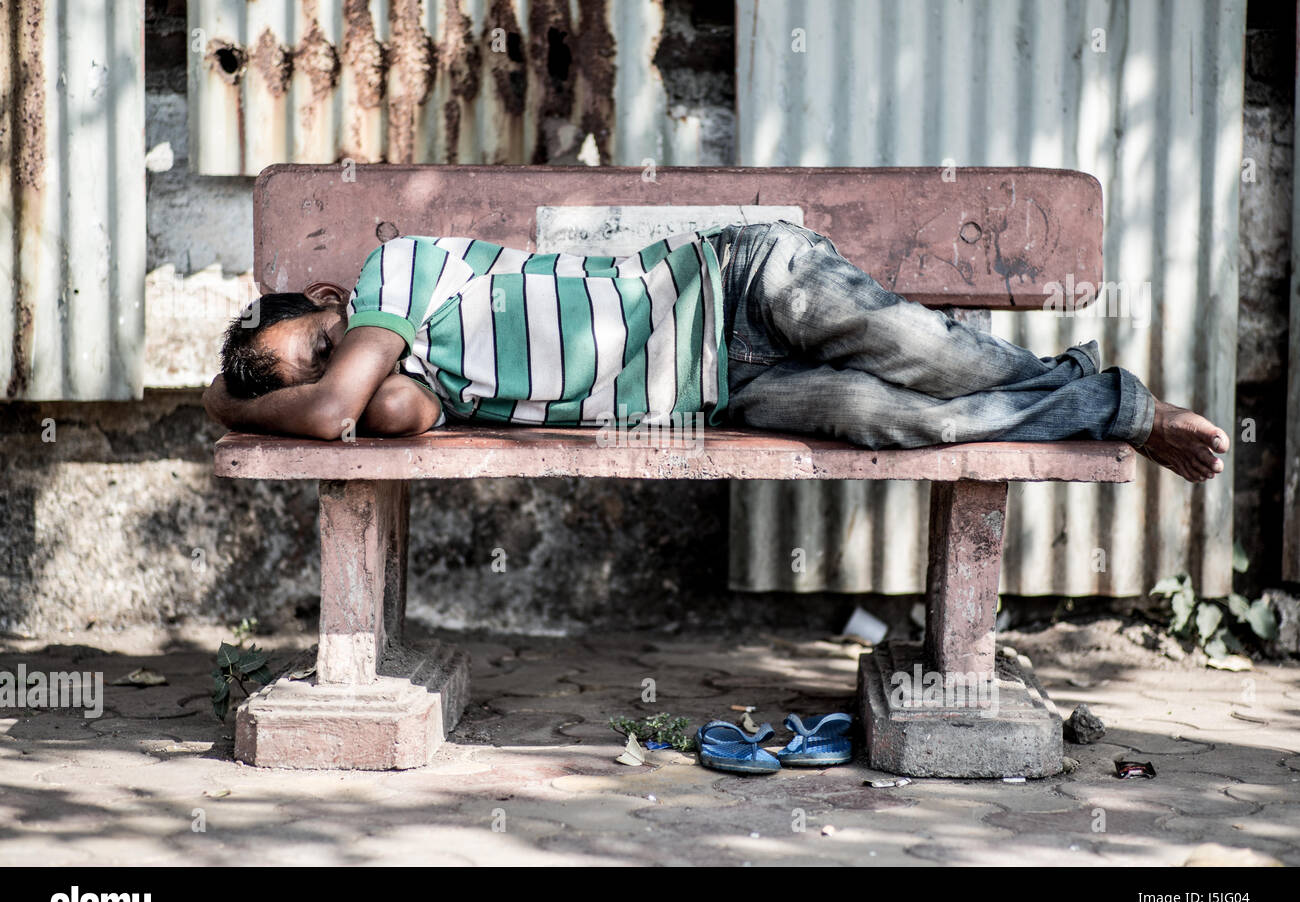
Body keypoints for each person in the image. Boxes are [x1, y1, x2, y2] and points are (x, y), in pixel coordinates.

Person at [203, 220, 1229, 482]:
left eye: (333, 341)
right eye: (322, 361)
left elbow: (337, 407)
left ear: (339, 302)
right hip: (727, 388)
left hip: (737, 280)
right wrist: (290, 396)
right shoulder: (409, 382)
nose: (350, 364)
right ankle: (1092, 395)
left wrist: (228, 410)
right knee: (904, 419)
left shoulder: (396, 270)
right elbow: (374, 414)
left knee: (924, 350)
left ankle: (1126, 410)